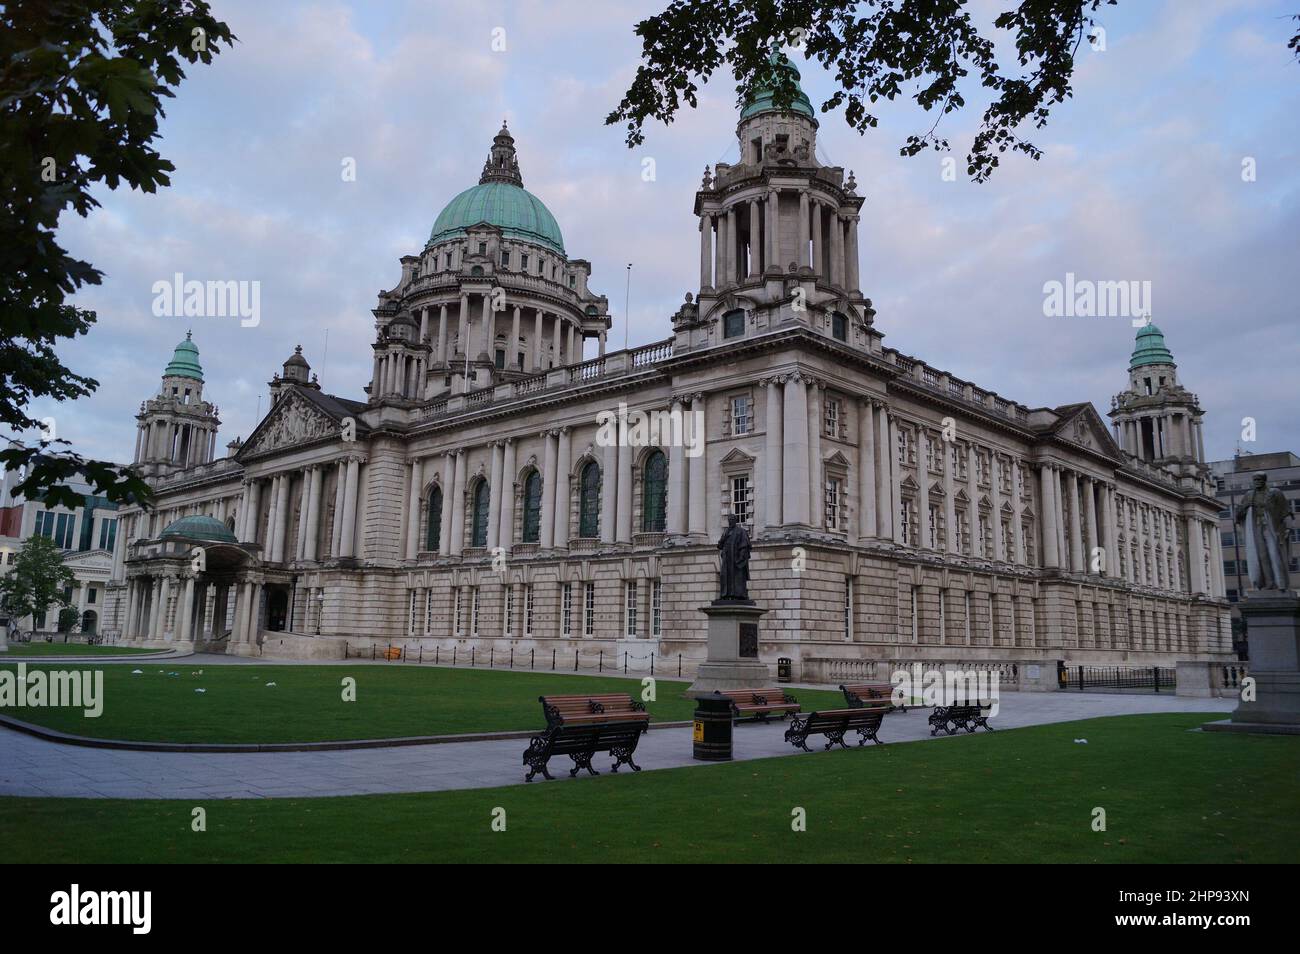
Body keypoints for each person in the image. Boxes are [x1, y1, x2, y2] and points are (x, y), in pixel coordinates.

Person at [1234, 473, 1292, 592]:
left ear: (1264, 480)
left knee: (1275, 554)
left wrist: (1287, 529)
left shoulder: (1275, 492)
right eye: (1255, 480)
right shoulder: (1249, 495)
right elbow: (1238, 514)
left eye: (1259, 479)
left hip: (1272, 527)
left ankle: (1280, 582)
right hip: (1257, 527)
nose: (1257, 482)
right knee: (1262, 556)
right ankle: (1269, 583)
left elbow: (1286, 511)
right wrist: (1245, 507)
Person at [717, 514, 751, 601]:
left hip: (736, 559)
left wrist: (741, 558)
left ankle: (739, 595)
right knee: (725, 576)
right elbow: (720, 545)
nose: (730, 521)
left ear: (735, 520)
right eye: (729, 520)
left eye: (732, 520)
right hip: (727, 559)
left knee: (737, 577)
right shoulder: (726, 532)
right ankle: (726, 594)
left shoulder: (741, 531)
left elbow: (745, 545)